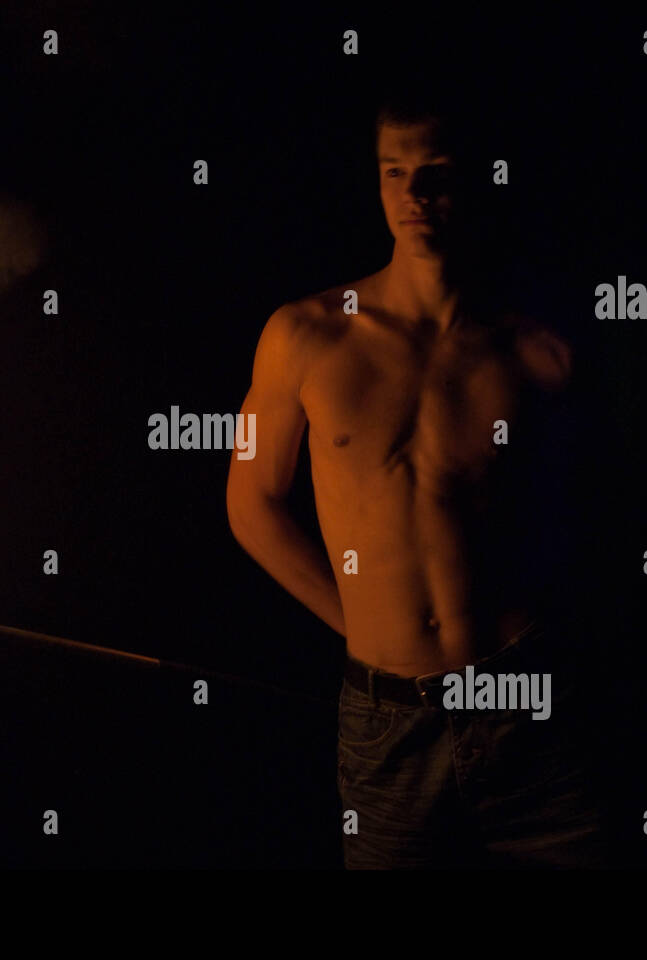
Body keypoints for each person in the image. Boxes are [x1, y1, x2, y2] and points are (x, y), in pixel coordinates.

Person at [226, 94, 609, 868]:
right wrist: (362, 627)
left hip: (526, 707)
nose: (413, 195)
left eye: (434, 174)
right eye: (393, 172)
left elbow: (603, 520)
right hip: (387, 719)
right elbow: (251, 504)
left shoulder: (540, 351)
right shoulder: (307, 334)